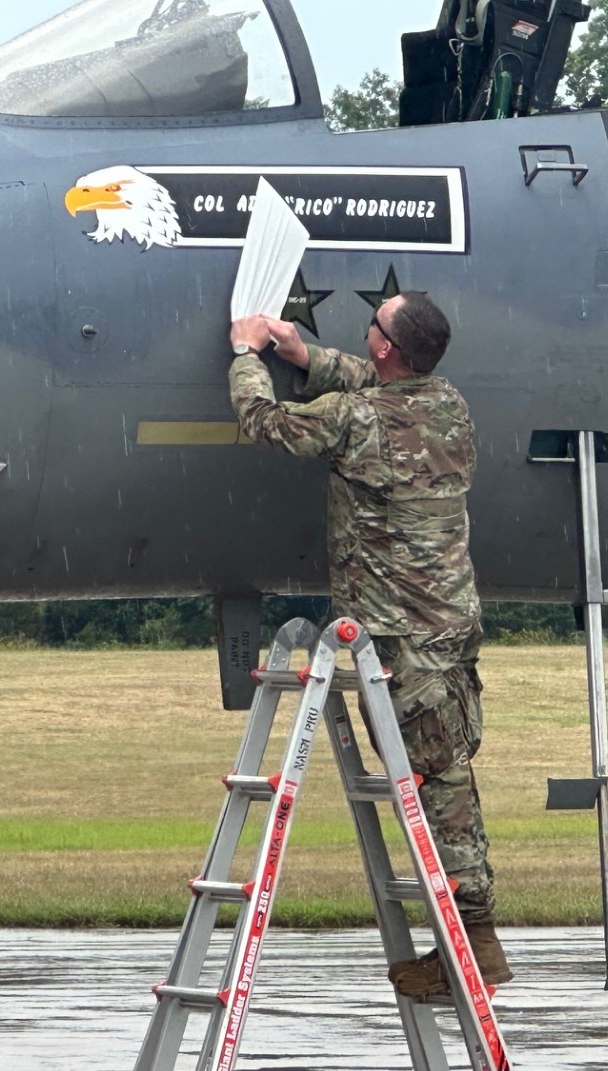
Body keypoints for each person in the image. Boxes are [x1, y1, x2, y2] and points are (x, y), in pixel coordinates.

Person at [227, 292, 507, 1000]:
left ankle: (474, 952)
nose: (367, 332)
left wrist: (246, 354)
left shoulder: (360, 421)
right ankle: (471, 945)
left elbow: (266, 425)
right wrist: (306, 355)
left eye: (373, 325)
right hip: (446, 627)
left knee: (444, 799)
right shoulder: (447, 405)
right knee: (448, 786)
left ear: (385, 347)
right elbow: (370, 389)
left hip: (406, 646)